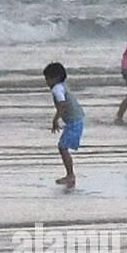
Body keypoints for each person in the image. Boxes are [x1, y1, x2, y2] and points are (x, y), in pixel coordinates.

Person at [44, 61, 84, 189]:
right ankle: (70, 174)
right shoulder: (62, 85)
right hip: (77, 119)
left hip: (74, 121)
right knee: (63, 147)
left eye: (47, 79)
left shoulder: (57, 88)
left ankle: (70, 175)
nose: (46, 82)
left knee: (62, 147)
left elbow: (62, 104)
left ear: (55, 78)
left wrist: (55, 119)